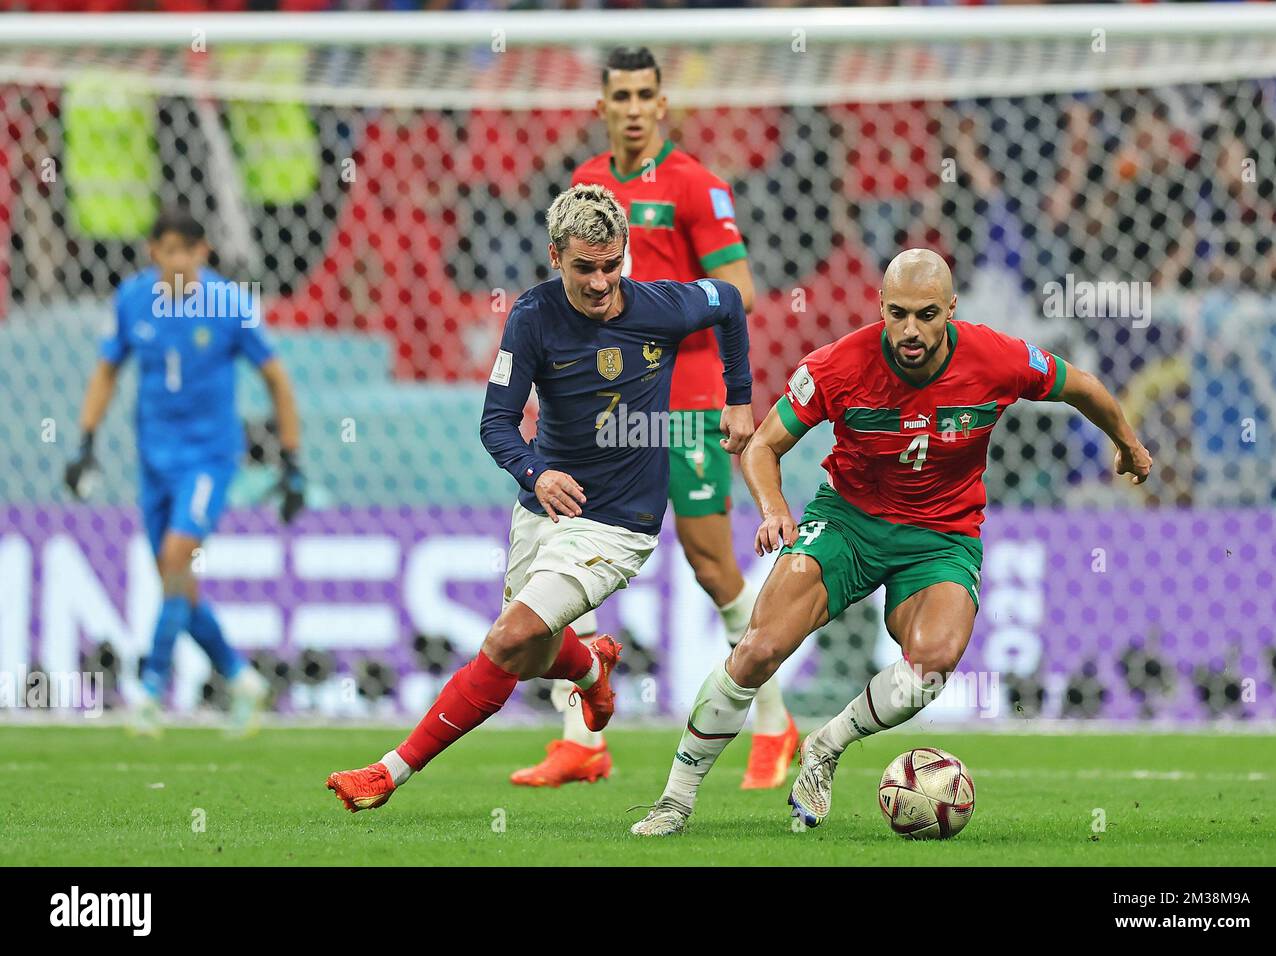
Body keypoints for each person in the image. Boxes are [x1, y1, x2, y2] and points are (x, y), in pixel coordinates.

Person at [631, 248, 1153, 835]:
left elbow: (1079, 386)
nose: (910, 329)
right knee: (756, 649)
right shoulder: (839, 365)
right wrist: (774, 509)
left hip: (941, 537)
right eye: (898, 313)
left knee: (932, 664)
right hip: (849, 522)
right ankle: (674, 801)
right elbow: (761, 445)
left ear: (951, 310)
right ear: (879, 307)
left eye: (927, 315)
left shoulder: (996, 358)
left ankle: (825, 748)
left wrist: (1127, 443)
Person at [325, 184, 754, 812]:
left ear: (625, 254)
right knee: (527, 659)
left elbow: (731, 302)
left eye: (612, 266)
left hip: (619, 523)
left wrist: (737, 395)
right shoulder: (532, 316)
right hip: (545, 509)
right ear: (556, 256)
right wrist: (535, 476)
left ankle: (389, 773)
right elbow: (496, 422)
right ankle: (591, 670)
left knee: (504, 640)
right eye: (585, 267)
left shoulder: (661, 308)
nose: (602, 282)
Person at [510, 46, 796, 790]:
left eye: (645, 94)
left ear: (662, 105)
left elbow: (741, 289)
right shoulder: (585, 187)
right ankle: (580, 739)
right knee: (560, 550)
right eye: (620, 95)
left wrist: (658, 313)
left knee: (710, 564)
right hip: (604, 407)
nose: (633, 107)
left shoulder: (697, 186)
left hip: (685, 403)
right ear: (600, 107)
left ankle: (774, 720)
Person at [65, 207, 305, 737]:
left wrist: (291, 461)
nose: (176, 261)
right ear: (154, 252)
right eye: (166, 250)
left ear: (203, 253)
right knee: (178, 583)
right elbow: (107, 370)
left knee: (177, 559)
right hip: (154, 459)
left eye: (187, 250)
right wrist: (85, 442)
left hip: (208, 458)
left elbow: (277, 380)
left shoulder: (228, 304)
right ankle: (242, 678)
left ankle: (150, 688)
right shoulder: (132, 300)